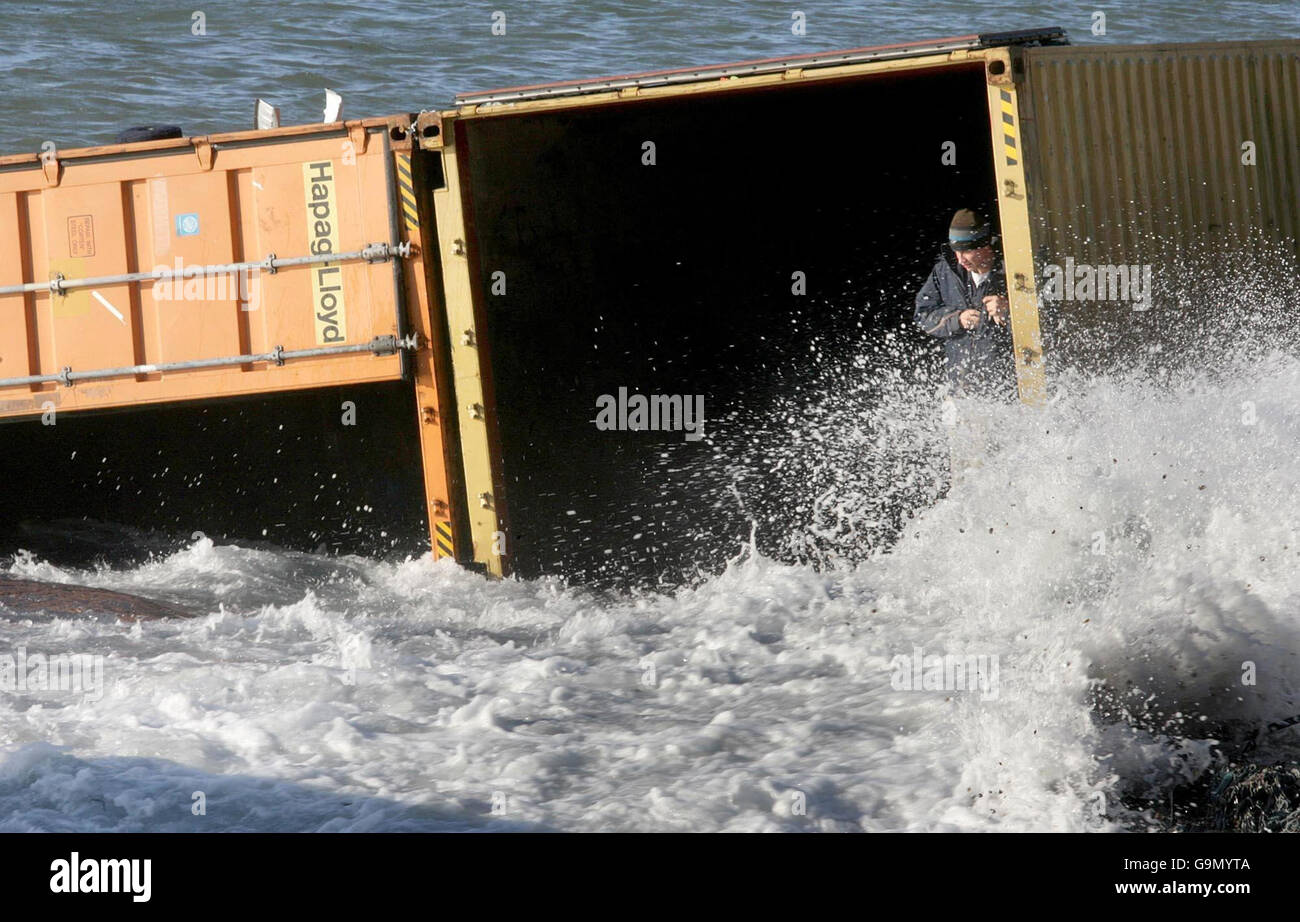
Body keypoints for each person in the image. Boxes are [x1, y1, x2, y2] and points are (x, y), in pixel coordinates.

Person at [913, 208, 1014, 482]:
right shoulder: (945, 269)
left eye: (966, 252)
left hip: (1006, 396)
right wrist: (955, 319)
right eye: (956, 251)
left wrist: (1013, 307)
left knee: (1004, 472)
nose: (961, 259)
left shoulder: (1015, 267)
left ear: (985, 245)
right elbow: (922, 314)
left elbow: (1049, 312)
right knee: (964, 478)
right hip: (962, 393)